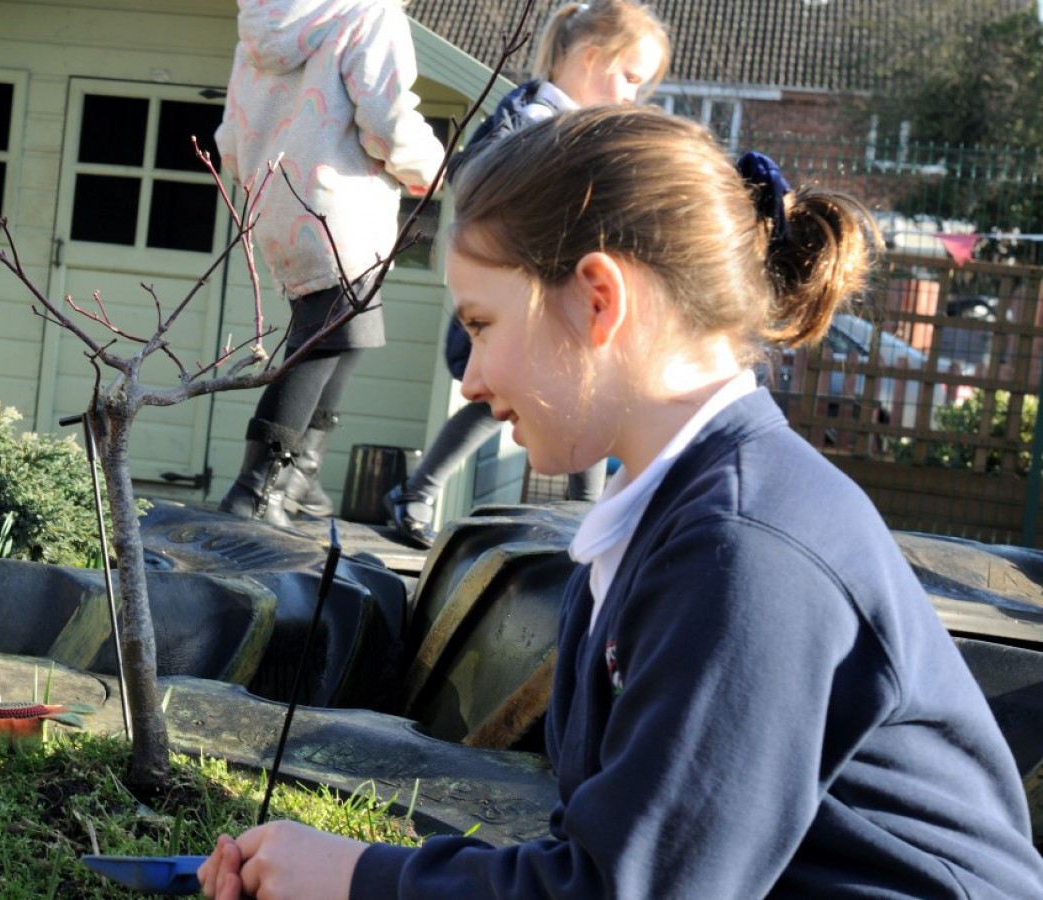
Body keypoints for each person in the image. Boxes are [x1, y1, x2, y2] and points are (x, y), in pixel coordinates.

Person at [198, 106, 1043, 899]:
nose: (472, 376)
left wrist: (359, 879)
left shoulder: (742, 548)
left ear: (598, 299)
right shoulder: (664, 521)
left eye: (484, 325)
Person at [385, 0, 669, 547]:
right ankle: (575, 513)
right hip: (520, 300)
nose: (633, 94)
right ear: (591, 57)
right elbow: (491, 209)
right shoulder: (534, 127)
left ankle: (575, 513)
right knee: (514, 394)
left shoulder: (570, 128)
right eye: (630, 77)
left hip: (545, 302)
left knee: (562, 390)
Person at [213, 0, 446, 527]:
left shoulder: (262, 21)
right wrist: (434, 170)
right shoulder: (369, 13)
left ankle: (301, 473)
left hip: (273, 197)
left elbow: (230, 134)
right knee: (321, 342)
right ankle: (258, 486)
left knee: (346, 333)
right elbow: (387, 120)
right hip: (338, 200)